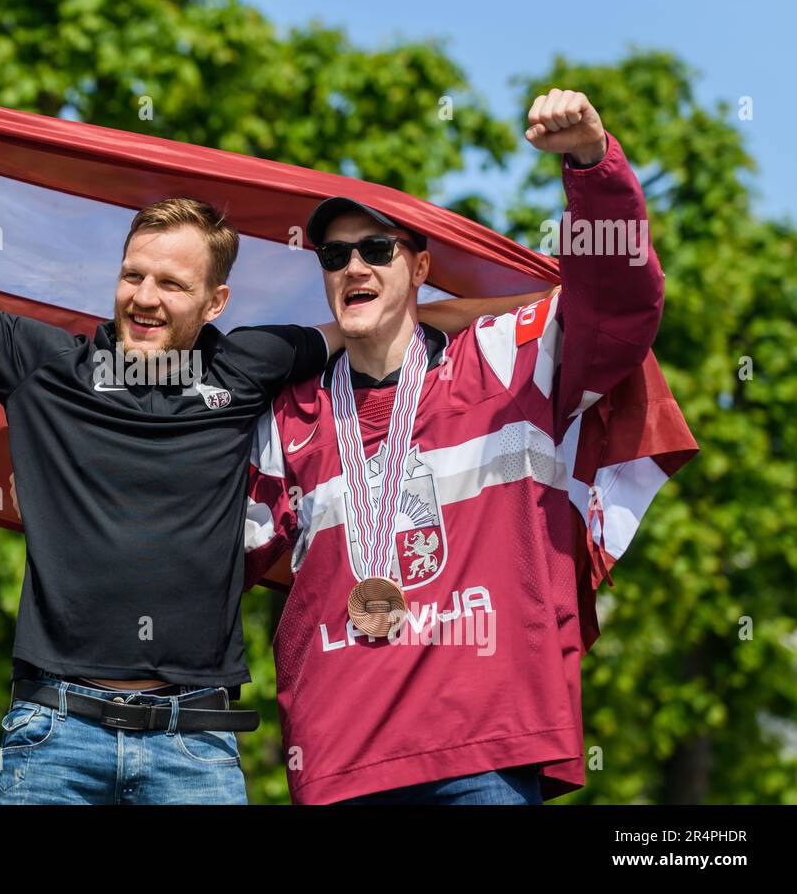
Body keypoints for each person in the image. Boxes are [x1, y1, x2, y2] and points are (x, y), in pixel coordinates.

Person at [0, 63, 544, 805]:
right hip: (54, 734)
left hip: (195, 745)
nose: (144, 297)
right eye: (133, 275)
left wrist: (548, 299)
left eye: (171, 283)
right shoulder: (45, 365)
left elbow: (392, 318)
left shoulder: (248, 364)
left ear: (215, 302)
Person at [244, 89, 662, 804]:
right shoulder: (294, 413)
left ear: (420, 268)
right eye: (335, 255)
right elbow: (207, 554)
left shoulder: (508, 359)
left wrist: (592, 167)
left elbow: (618, 307)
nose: (354, 267)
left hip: (485, 751)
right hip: (342, 759)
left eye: (377, 249)